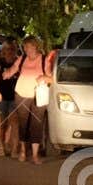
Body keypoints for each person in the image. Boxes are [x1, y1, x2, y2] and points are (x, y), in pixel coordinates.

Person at [10, 34, 56, 163]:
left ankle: (35, 155)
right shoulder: (22, 59)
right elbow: (13, 69)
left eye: (29, 47)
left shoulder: (44, 60)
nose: (27, 50)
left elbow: (51, 78)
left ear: (36, 47)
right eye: (25, 47)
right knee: (23, 123)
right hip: (21, 94)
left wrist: (44, 78)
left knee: (37, 123)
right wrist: (5, 74)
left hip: (38, 96)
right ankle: (23, 151)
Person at [0, 38, 22, 157]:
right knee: (1, 123)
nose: (10, 51)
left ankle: (13, 149)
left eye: (12, 49)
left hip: (15, 96)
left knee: (14, 123)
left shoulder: (18, 62)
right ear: (3, 50)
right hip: (0, 96)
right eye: (7, 49)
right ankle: (1, 146)